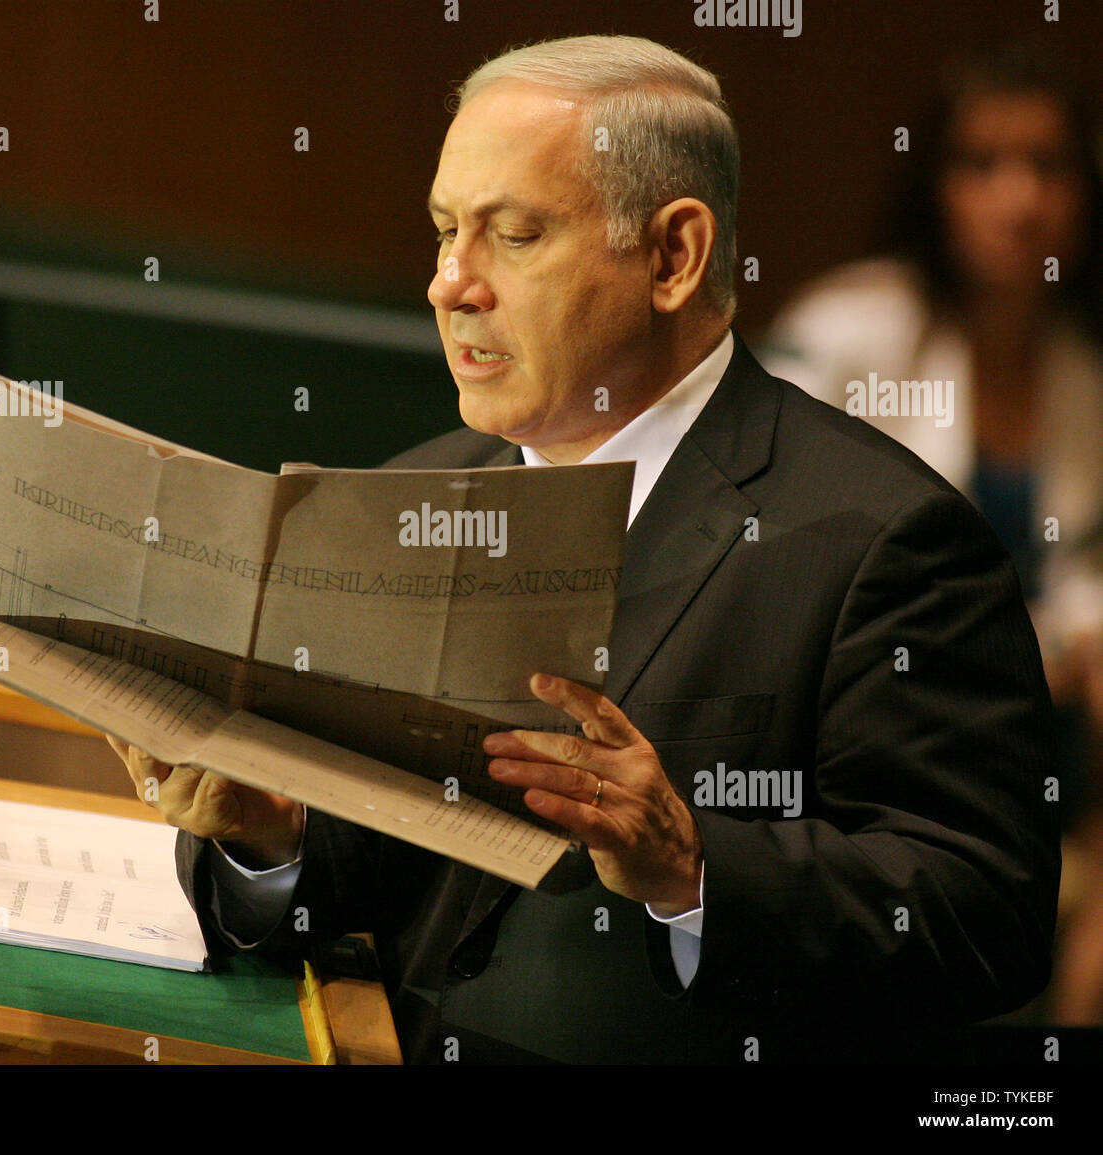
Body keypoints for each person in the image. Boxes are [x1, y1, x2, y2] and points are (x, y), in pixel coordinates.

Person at [108, 35, 1059, 1063]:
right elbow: (365, 883)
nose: (449, 286)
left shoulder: (884, 537)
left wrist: (696, 868)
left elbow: (982, 921)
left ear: (673, 256)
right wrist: (270, 836)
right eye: (442, 233)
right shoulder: (409, 496)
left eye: (512, 235)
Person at [763, 39, 1103, 1024]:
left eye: (1047, 166)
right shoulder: (849, 328)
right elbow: (763, 538)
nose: (1018, 199)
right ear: (934, 185)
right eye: (981, 164)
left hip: (1051, 736)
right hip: (870, 717)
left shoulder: (1086, 366)